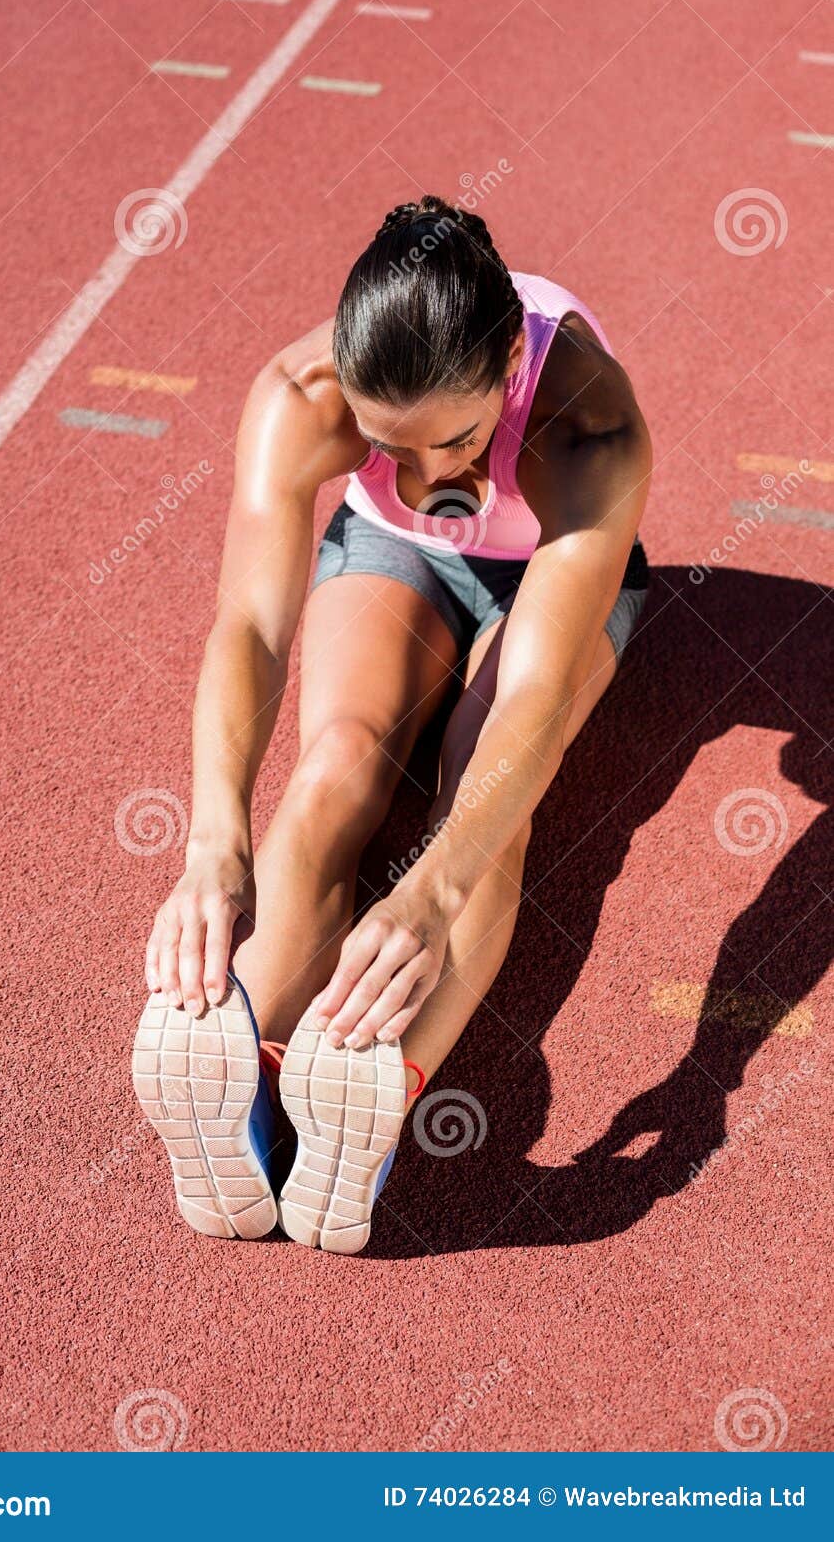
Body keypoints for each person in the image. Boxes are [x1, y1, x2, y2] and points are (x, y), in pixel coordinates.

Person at [131, 196, 652, 1252]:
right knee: (332, 768)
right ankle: (245, 1079)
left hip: (545, 571)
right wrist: (211, 840)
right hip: (390, 556)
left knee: (476, 793)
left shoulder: (588, 428)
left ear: (510, 363)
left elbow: (533, 701)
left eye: (455, 441)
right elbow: (249, 624)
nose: (427, 478)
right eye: (388, 444)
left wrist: (431, 886)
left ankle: (371, 1092)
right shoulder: (295, 397)